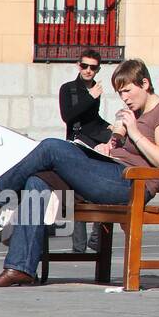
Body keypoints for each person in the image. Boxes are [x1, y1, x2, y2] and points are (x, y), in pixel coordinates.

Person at [0, 59, 159, 287]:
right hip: (109, 172)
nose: (124, 98)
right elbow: (120, 145)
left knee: (51, 147)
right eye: (120, 93)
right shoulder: (136, 113)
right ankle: (19, 268)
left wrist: (134, 131)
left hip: (129, 184)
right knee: (37, 181)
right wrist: (109, 146)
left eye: (128, 91)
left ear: (145, 83)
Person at [58, 49, 113, 254]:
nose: (88, 71)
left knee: (101, 187)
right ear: (78, 65)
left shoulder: (95, 89)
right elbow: (68, 117)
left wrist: (109, 127)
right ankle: (78, 247)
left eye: (93, 67)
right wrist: (90, 96)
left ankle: (97, 238)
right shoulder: (68, 89)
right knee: (76, 193)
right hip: (77, 143)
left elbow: (94, 118)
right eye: (84, 66)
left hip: (95, 141)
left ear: (98, 69)